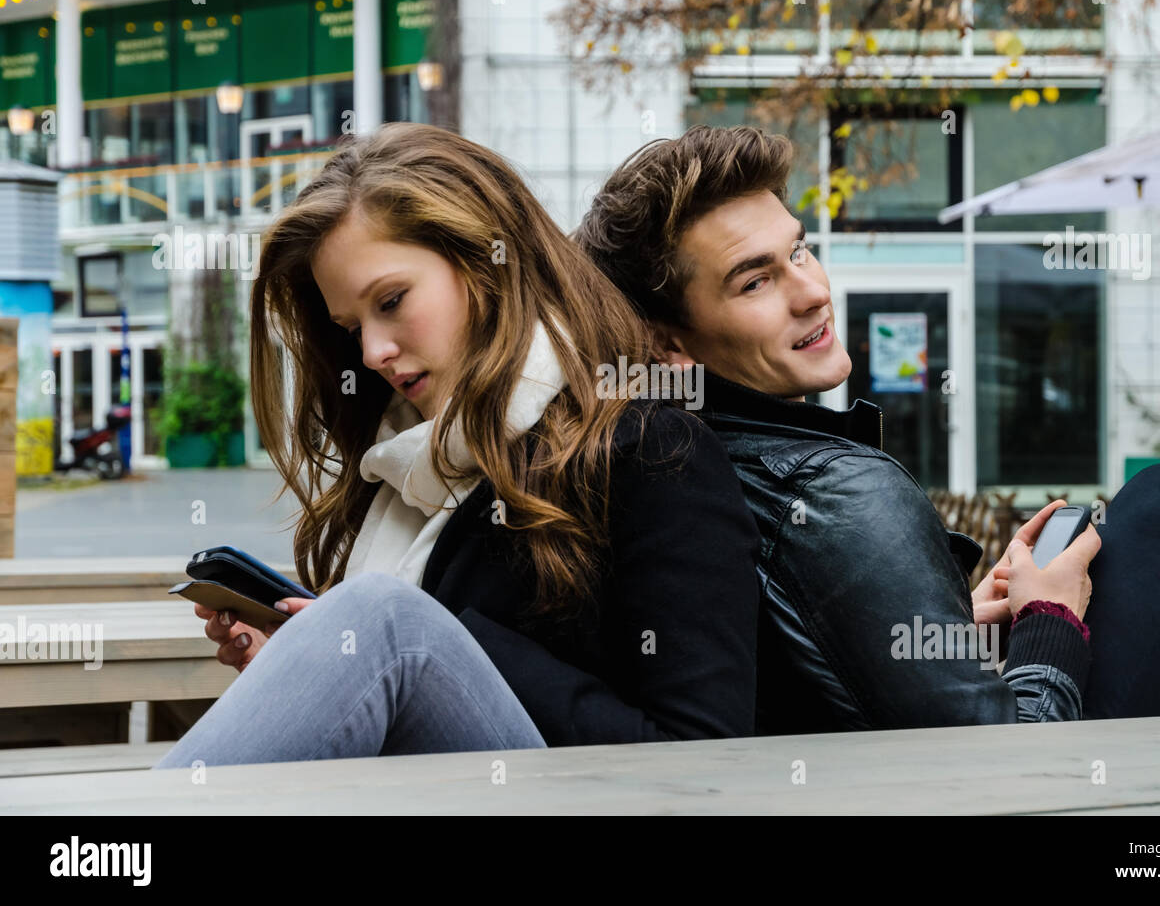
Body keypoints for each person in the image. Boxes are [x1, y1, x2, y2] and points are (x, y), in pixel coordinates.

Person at [575, 123, 1160, 733]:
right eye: (755, 280)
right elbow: (1014, 773)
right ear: (669, 342)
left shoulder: (673, 464)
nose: (812, 290)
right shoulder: (839, 493)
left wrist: (948, 628)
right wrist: (1047, 615)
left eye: (798, 249)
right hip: (1049, 785)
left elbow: (808, 675)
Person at [154, 123, 762, 769]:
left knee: (386, 622)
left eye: (391, 300)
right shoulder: (400, 468)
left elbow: (703, 764)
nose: (371, 351)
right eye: (351, 326)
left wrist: (441, 641)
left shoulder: (653, 453)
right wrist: (313, 675)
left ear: (485, 257)